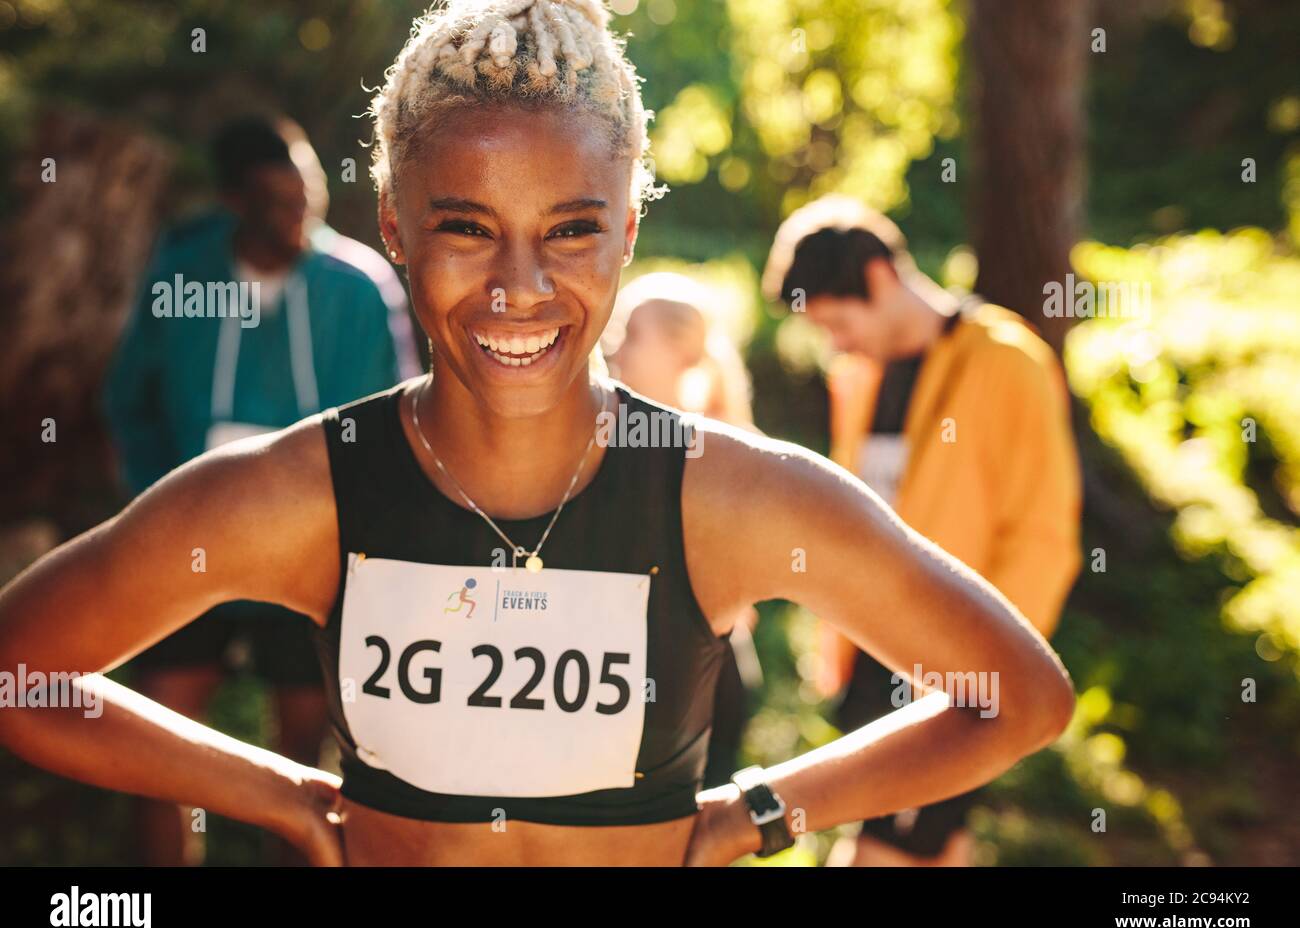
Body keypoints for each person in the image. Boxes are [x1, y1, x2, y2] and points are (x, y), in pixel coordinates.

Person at [0, 0, 1075, 867]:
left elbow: (1017, 697)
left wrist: (757, 810)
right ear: (391, 224)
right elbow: (20, 673)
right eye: (465, 228)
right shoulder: (303, 489)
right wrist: (279, 794)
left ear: (630, 230)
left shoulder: (731, 493)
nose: (520, 289)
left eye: (571, 231)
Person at [101, 114, 416, 864]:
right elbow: (129, 399)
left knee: (309, 761)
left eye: (306, 196)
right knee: (157, 745)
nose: (298, 217)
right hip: (188, 542)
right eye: (276, 203)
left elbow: (396, 416)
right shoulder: (182, 275)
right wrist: (154, 499)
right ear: (235, 202)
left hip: (310, 550)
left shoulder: (359, 288)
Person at [762, 194, 1083, 866]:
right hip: (877, 656)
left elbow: (1044, 533)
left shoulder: (1006, 360)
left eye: (839, 322)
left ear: (878, 277)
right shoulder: (858, 373)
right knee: (933, 847)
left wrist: (992, 677)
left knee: (877, 849)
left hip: (964, 670)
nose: (835, 344)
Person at [604, 271, 762, 788]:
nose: (613, 349)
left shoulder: (724, 452)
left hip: (703, 681)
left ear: (679, 351)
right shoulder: (611, 438)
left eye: (631, 333)